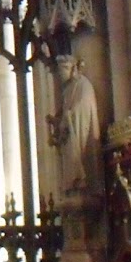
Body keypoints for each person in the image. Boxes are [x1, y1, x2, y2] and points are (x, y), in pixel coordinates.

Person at [48, 54, 101, 195]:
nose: (60, 75)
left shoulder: (83, 85)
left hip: (79, 133)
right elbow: (65, 110)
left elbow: (84, 107)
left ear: (71, 69)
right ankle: (74, 184)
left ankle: (82, 181)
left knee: (78, 159)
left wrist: (68, 116)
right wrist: (57, 120)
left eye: (62, 71)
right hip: (70, 133)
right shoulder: (67, 90)